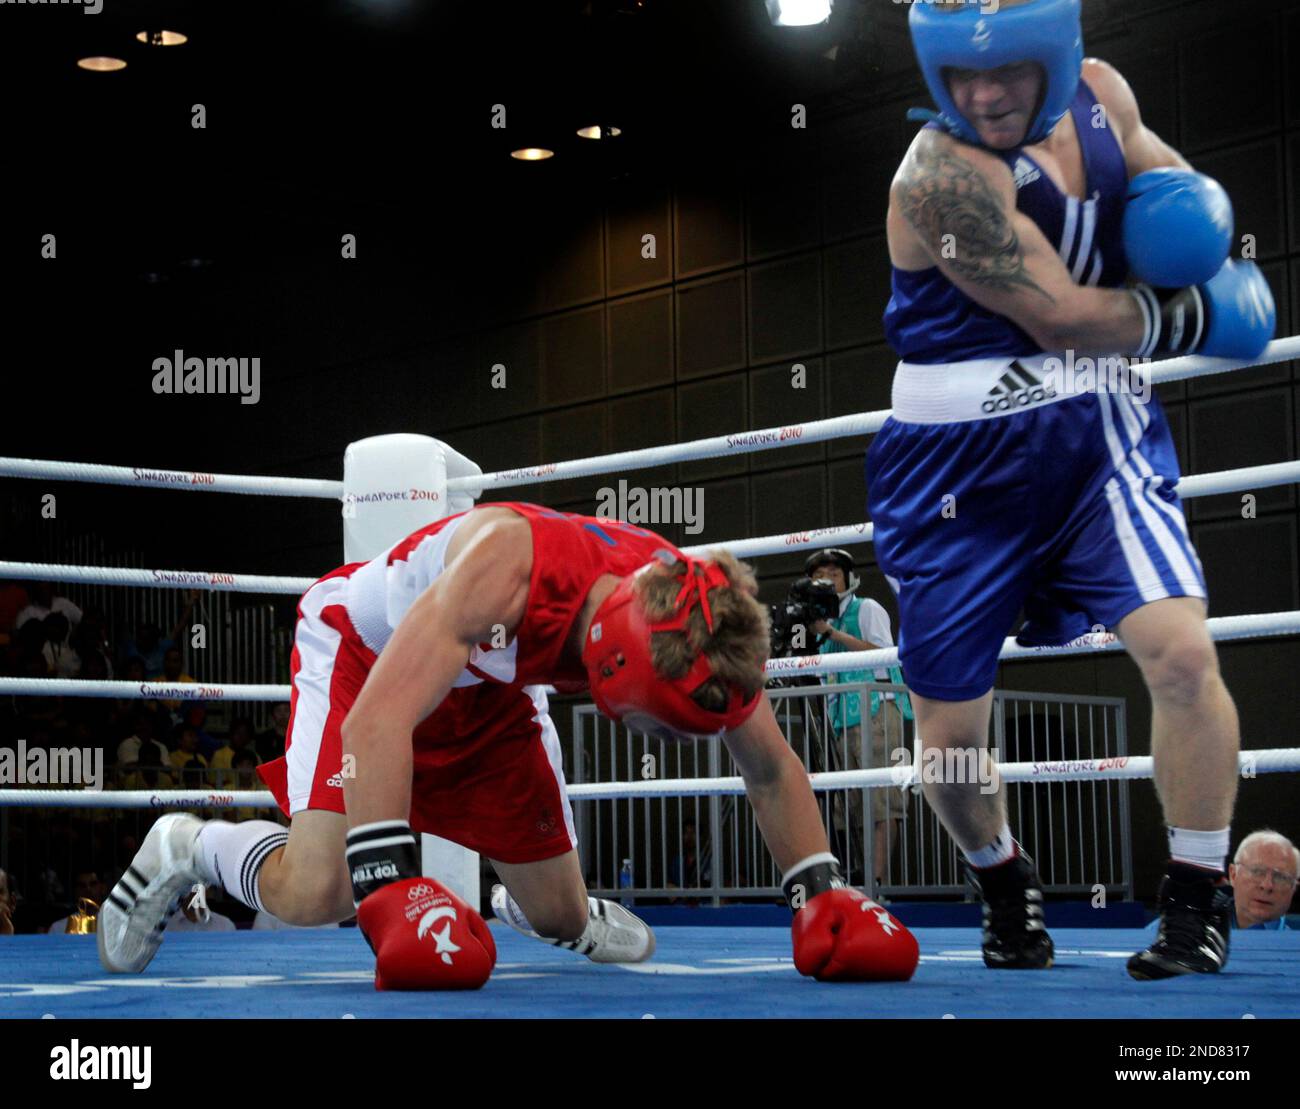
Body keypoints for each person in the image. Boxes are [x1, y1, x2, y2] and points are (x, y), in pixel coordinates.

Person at [99, 503, 920, 989]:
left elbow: (770, 762)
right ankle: (187, 843)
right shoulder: (506, 567)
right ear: (617, 663)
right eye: (659, 723)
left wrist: (820, 891)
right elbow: (376, 723)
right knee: (318, 892)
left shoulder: (700, 619)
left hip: (489, 691)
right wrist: (390, 890)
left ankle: (526, 903)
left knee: (561, 917)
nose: (663, 742)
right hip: (368, 658)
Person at [874, 0, 1275, 977]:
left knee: (1181, 652)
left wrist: (1210, 245)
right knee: (950, 743)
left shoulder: (1102, 98)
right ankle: (1002, 875)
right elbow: (1057, 316)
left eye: (1004, 73)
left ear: (1056, 55)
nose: (981, 96)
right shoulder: (935, 178)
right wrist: (1193, 319)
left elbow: (1180, 191)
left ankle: (1191, 899)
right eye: (958, 79)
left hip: (1097, 429)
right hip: (952, 467)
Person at [805, 548, 912, 890]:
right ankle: (854, 878)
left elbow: (885, 653)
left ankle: (875, 883)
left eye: (833, 575)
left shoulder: (866, 608)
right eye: (819, 576)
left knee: (880, 800)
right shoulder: (819, 623)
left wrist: (833, 634)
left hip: (877, 708)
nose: (826, 581)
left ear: (848, 578)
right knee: (846, 806)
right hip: (840, 716)